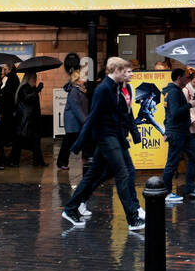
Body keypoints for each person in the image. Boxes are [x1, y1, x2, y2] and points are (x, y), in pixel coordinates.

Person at [62, 57, 147, 230]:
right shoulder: (104, 89)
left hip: (115, 137)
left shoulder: (116, 88)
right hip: (106, 138)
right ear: (115, 70)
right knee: (123, 173)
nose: (127, 73)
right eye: (124, 70)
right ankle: (132, 218)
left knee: (97, 174)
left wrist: (131, 135)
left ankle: (71, 208)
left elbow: (122, 115)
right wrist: (78, 144)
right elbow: (92, 117)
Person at [162, 68, 195, 202]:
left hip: (183, 132)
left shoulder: (174, 91)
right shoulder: (174, 92)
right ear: (178, 77)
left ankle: (190, 187)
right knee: (172, 162)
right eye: (185, 77)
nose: (187, 80)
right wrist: (189, 105)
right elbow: (175, 112)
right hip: (177, 133)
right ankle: (167, 192)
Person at [57, 65, 89, 170]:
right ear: (77, 79)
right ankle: (62, 162)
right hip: (73, 123)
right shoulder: (74, 92)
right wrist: (85, 121)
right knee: (68, 143)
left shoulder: (80, 90)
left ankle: (85, 159)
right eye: (83, 76)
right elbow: (76, 108)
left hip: (77, 122)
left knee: (73, 142)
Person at [16, 70, 45, 167]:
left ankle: (39, 162)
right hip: (27, 120)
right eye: (33, 78)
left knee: (36, 141)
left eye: (36, 78)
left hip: (33, 119)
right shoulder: (24, 88)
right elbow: (28, 98)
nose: (35, 80)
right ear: (28, 79)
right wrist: (37, 90)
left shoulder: (31, 88)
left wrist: (37, 89)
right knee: (24, 142)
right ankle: (14, 161)